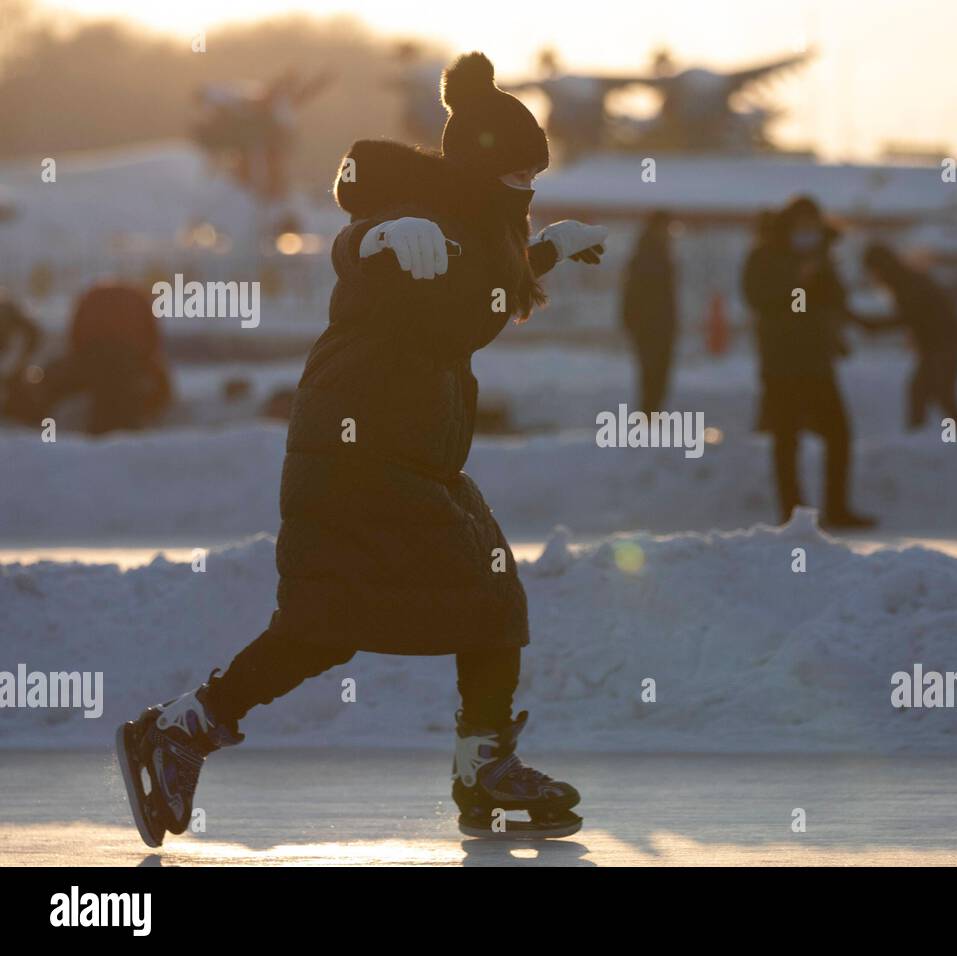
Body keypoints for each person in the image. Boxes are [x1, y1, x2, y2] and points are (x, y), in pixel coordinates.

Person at [116, 52, 610, 844]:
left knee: (337, 622)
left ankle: (186, 727)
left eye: (534, 177)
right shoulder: (417, 222)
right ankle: (475, 765)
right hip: (357, 457)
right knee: (453, 605)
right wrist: (376, 236)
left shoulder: (476, 229)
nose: (526, 190)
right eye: (517, 175)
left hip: (405, 459)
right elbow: (371, 265)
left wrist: (544, 251)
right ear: (483, 169)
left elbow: (472, 306)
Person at [742, 196, 874, 529]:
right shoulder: (765, 257)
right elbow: (759, 300)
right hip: (781, 363)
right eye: (801, 228)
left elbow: (834, 301)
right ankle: (792, 513)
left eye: (812, 228)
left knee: (839, 434)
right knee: (787, 439)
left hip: (816, 361)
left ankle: (837, 508)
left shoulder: (822, 258)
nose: (807, 234)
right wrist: (796, 282)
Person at [2, 282, 171, 434]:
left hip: (91, 358)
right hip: (129, 365)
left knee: (45, 388)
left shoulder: (93, 300)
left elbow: (73, 338)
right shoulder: (136, 301)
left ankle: (22, 419)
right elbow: (152, 343)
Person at [860, 243, 957, 437]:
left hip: (944, 345)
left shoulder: (905, 283)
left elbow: (907, 318)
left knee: (925, 392)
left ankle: (922, 439)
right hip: (946, 344)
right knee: (938, 394)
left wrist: (872, 326)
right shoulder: (907, 280)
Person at [620, 210, 678, 412]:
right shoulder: (651, 254)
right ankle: (650, 414)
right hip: (652, 326)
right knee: (654, 373)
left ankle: (651, 413)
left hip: (654, 325)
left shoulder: (651, 251)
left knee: (654, 374)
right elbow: (637, 293)